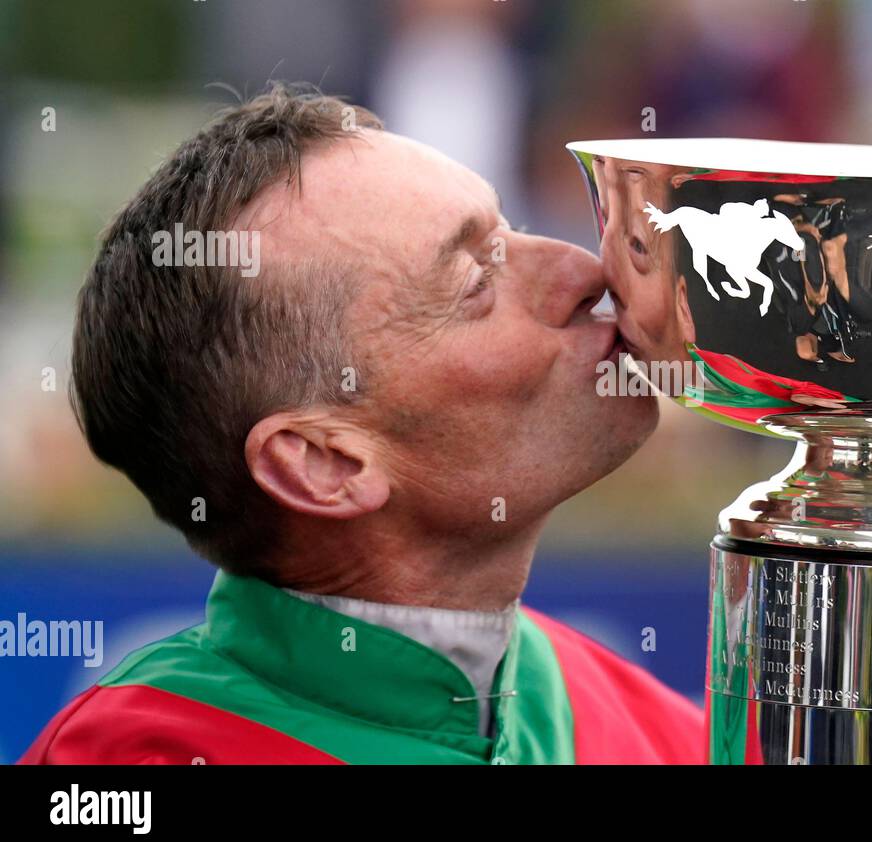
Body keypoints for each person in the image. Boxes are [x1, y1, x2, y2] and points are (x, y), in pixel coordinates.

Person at [20, 84, 703, 765]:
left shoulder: (659, 728)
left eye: (510, 230)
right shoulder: (124, 764)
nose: (584, 268)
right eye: (475, 282)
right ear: (325, 462)